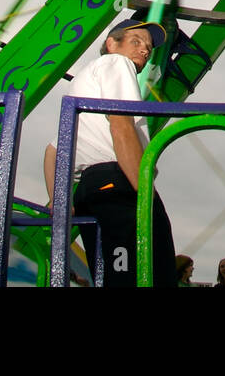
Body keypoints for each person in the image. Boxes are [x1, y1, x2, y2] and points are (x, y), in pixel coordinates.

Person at [44, 19, 177, 287]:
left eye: (148, 48)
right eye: (136, 41)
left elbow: (53, 150)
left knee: (113, 276)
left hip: (90, 190)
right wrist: (144, 193)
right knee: (152, 273)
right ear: (111, 44)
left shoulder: (85, 80)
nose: (144, 50)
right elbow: (120, 124)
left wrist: (59, 201)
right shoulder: (116, 63)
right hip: (119, 183)